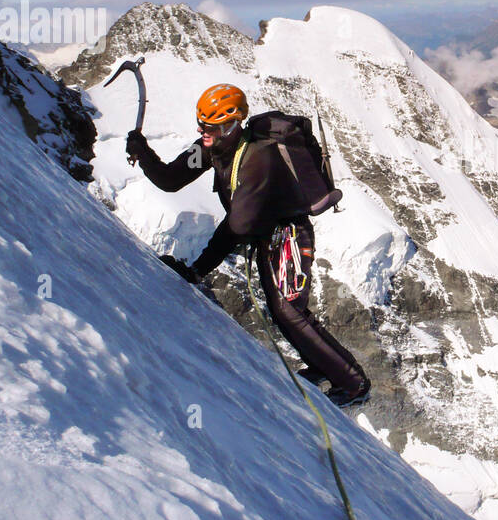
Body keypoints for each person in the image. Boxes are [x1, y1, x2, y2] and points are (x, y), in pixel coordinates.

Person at [125, 83, 371, 407]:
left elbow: (238, 225)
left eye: (210, 127)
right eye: (202, 125)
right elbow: (171, 179)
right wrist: (141, 150)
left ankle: (354, 386)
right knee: (282, 308)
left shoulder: (260, 158)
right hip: (271, 237)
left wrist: (198, 269)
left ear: (231, 124)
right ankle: (322, 366)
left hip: (290, 235)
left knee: (288, 310)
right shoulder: (211, 147)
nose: (203, 132)